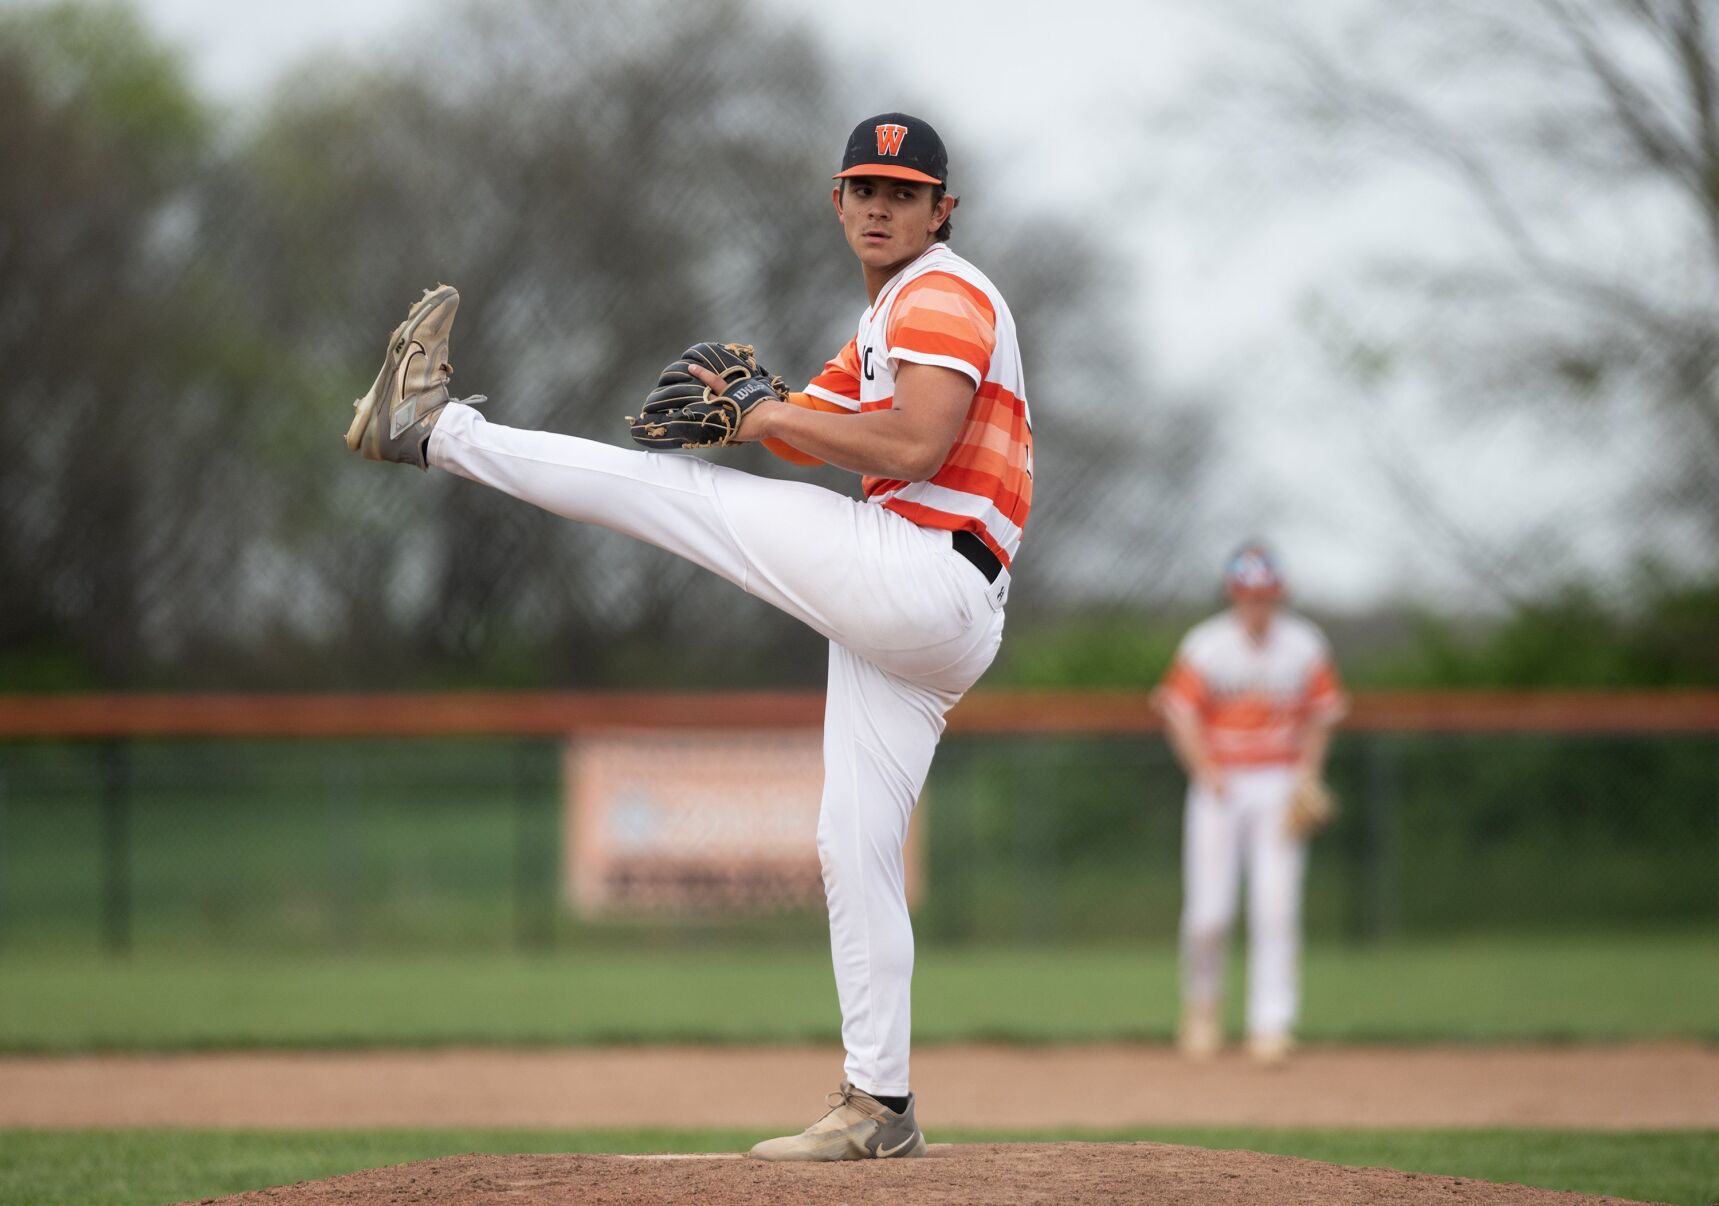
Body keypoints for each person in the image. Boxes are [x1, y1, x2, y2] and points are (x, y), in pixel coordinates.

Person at [342, 112, 1031, 1159]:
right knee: (853, 849)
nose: (881, 205)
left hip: (922, 575)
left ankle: (433, 430)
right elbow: (815, 430)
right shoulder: (892, 315)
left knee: (673, 499)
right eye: (864, 187)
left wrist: (758, 420)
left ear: (944, 210)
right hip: (929, 609)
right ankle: (879, 1105)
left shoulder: (941, 291)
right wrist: (748, 406)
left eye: (904, 191)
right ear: (837, 202)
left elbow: (914, 438)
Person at [1153, 543, 1345, 1063]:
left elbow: (1321, 715)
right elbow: (1178, 712)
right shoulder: (1208, 644)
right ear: (1233, 594)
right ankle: (1202, 1008)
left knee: (1275, 906)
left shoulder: (1304, 644)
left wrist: (1308, 775)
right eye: (1247, 595)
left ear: (1277, 595)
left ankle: (1271, 1025)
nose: (1256, 605)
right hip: (1222, 785)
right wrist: (1206, 771)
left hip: (1278, 783)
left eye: (1265, 596)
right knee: (1209, 912)